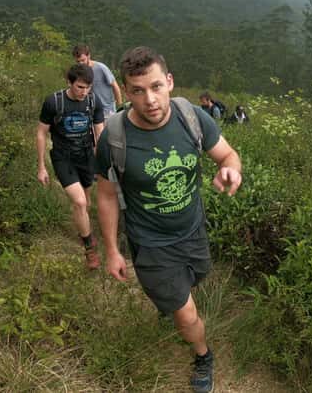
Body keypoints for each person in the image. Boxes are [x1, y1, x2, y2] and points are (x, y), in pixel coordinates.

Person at [97, 47, 242, 393]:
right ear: (126, 91)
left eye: (157, 86)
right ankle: (203, 356)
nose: (149, 99)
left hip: (193, 229)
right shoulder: (114, 136)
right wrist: (112, 251)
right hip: (150, 244)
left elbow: (227, 153)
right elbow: (104, 196)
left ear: (170, 82)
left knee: (196, 279)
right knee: (187, 314)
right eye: (138, 90)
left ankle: (174, 301)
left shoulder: (192, 117)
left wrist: (230, 171)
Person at [37, 63, 105, 269]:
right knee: (80, 202)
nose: (84, 92)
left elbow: (99, 132)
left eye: (88, 87)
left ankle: (82, 225)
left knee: (87, 201)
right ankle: (90, 248)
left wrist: (102, 160)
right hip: (62, 157)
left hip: (85, 157)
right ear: (69, 82)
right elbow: (41, 133)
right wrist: (41, 166)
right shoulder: (54, 102)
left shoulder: (93, 101)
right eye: (80, 87)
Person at [74, 44, 123, 118]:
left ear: (88, 56)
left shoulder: (101, 68)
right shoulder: (79, 71)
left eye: (83, 60)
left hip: (107, 111)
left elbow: (115, 86)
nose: (81, 63)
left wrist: (120, 107)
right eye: (78, 61)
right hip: (91, 111)